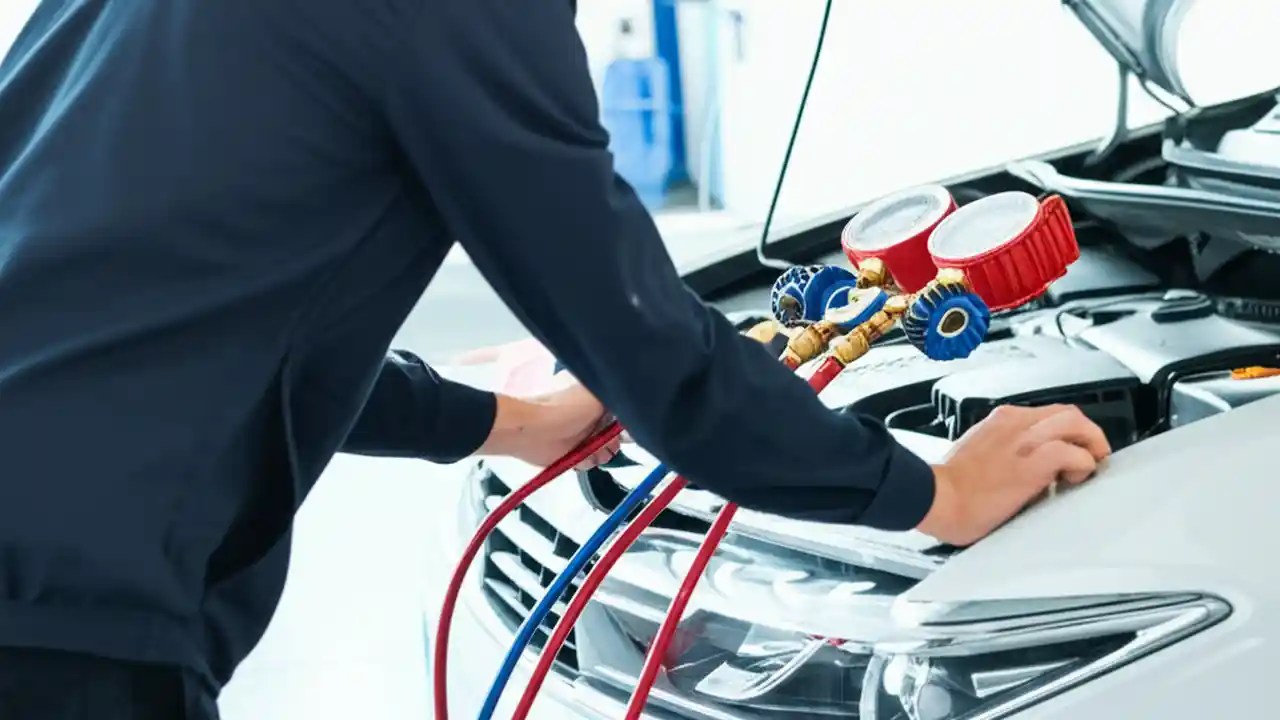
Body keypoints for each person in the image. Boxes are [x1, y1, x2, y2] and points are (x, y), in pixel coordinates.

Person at [0, 1, 1111, 717]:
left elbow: (206, 335)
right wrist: (932, 490)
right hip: (60, 629)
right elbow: (640, 336)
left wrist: (505, 422)